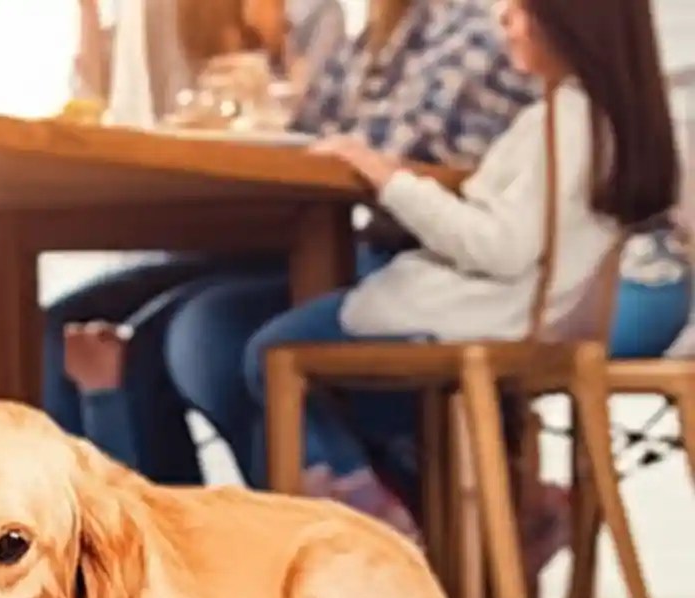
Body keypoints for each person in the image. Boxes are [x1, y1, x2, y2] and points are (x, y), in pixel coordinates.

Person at [236, 0, 681, 550]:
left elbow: (497, 247)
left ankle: (366, 523)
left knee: (269, 350)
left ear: (567, 25)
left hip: (482, 311)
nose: (503, 22)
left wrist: (386, 178)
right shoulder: (605, 118)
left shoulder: (558, 123)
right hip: (517, 317)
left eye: (518, 11)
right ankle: (442, 521)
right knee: (370, 385)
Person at [46, 0, 346, 488]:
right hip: (191, 234)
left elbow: (327, 129)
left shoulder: (310, 13)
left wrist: (276, 44)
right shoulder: (159, 16)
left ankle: (164, 541)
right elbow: (100, 107)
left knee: (162, 341)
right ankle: (89, 542)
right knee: (59, 328)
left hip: (283, 237)